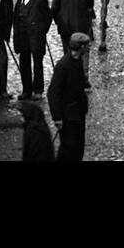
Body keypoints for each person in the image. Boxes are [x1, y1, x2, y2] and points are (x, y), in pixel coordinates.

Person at [47, 32, 91, 161]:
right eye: (86, 46)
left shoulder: (77, 61)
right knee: (68, 148)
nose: (88, 48)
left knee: (78, 146)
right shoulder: (63, 66)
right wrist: (57, 118)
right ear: (81, 47)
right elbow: (53, 93)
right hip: (68, 115)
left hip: (78, 112)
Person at [13, 0, 52, 100]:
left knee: (37, 64)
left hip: (36, 38)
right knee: (24, 64)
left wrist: (41, 31)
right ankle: (26, 90)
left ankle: (38, 90)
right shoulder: (19, 1)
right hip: (23, 39)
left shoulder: (40, 1)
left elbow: (48, 18)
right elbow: (16, 21)